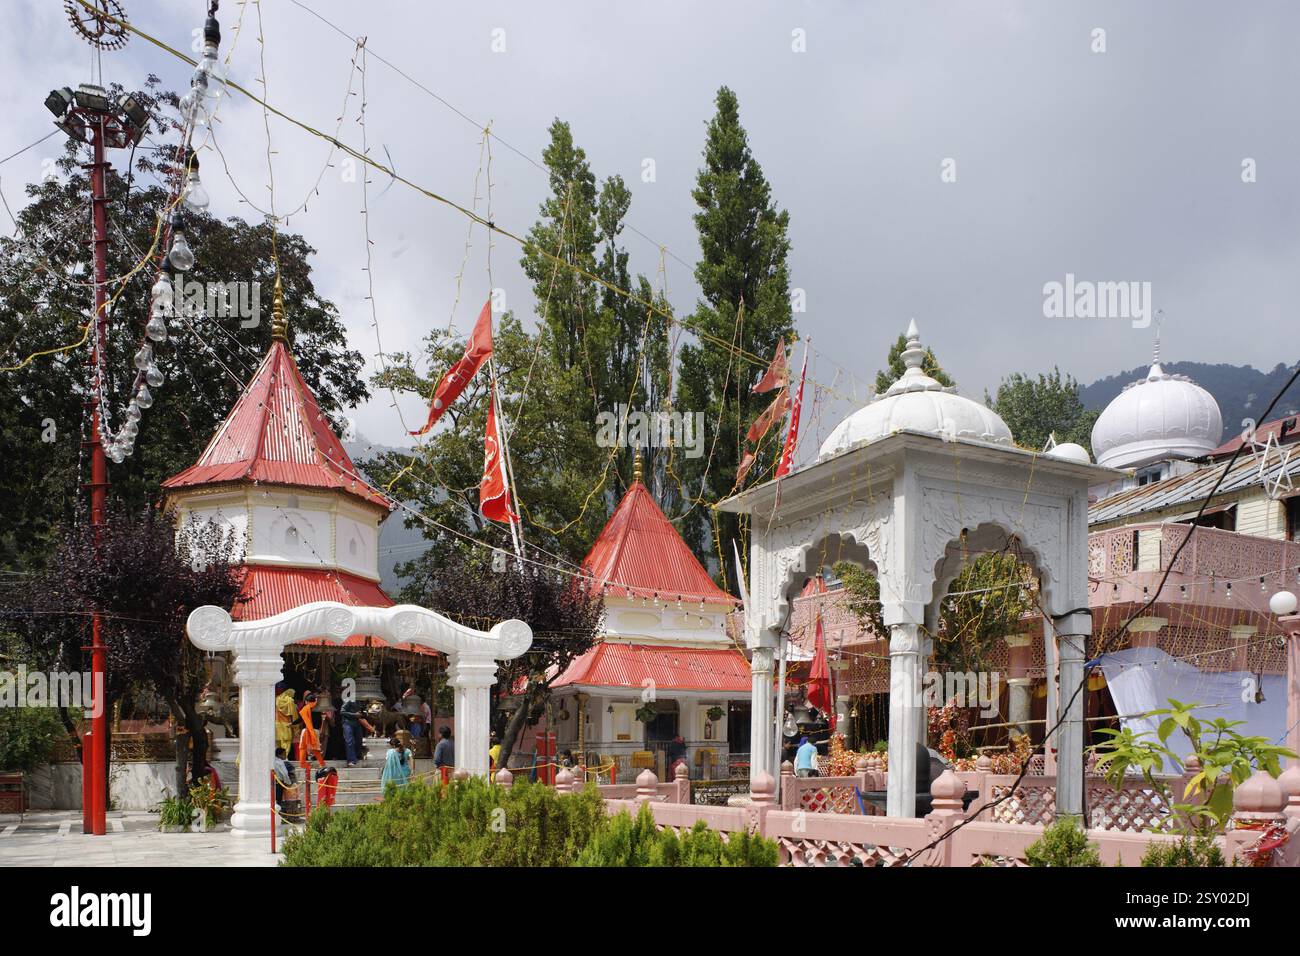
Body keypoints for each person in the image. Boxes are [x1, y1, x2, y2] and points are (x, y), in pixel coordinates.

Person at [338, 696, 375, 767]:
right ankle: (351, 760)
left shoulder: (362, 702)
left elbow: (363, 713)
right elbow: (342, 711)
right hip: (348, 723)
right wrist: (355, 715)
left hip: (357, 723)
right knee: (350, 741)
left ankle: (357, 757)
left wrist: (364, 714)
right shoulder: (350, 700)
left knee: (359, 741)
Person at [297, 692, 326, 770]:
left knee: (309, 748)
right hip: (311, 731)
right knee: (312, 748)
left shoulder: (311, 709)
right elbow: (323, 720)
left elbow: (300, 720)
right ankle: (319, 763)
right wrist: (322, 730)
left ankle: (318, 763)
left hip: (311, 730)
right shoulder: (311, 709)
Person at [274, 682, 296, 759]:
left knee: (278, 742)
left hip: (277, 724)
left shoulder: (275, 700)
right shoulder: (289, 700)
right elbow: (293, 714)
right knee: (286, 742)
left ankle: (278, 758)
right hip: (286, 724)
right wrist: (296, 725)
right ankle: (284, 757)